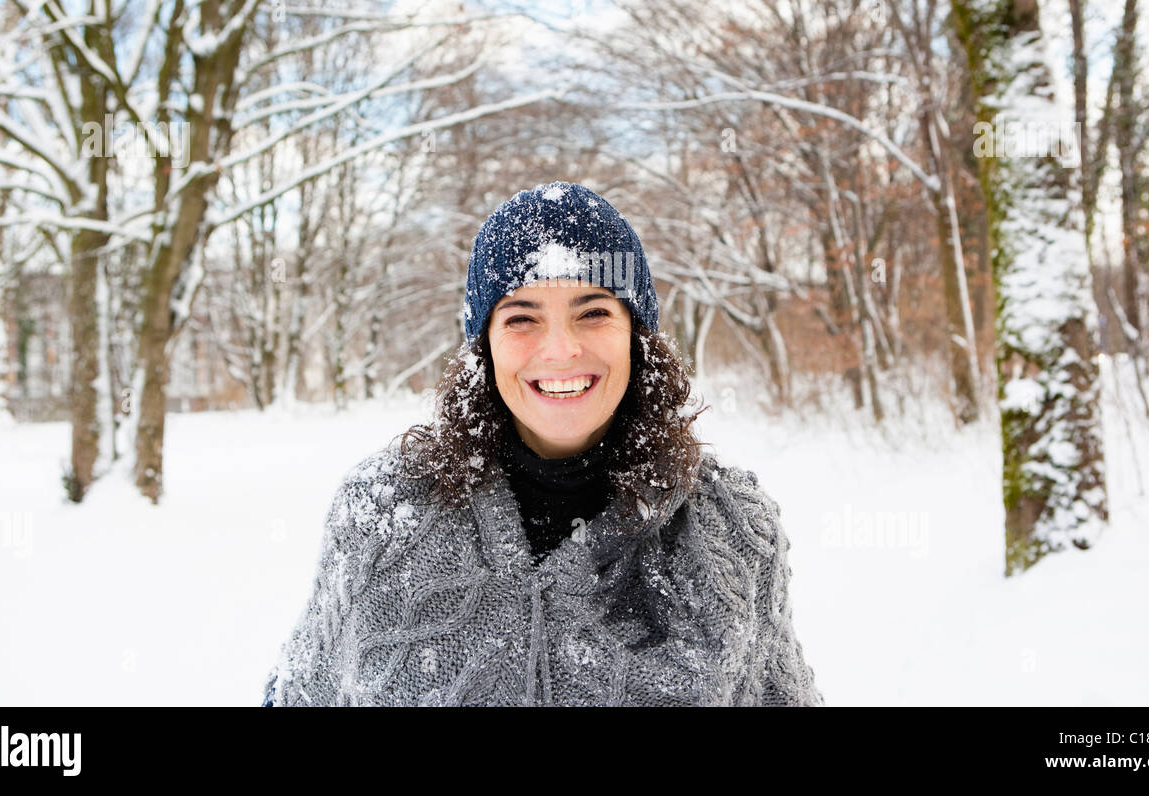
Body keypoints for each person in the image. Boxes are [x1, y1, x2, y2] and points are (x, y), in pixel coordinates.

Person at [261, 181, 824, 706]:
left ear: (636, 335)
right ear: (485, 346)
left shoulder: (731, 528)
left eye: (594, 312)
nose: (560, 350)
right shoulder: (379, 514)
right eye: (521, 318)